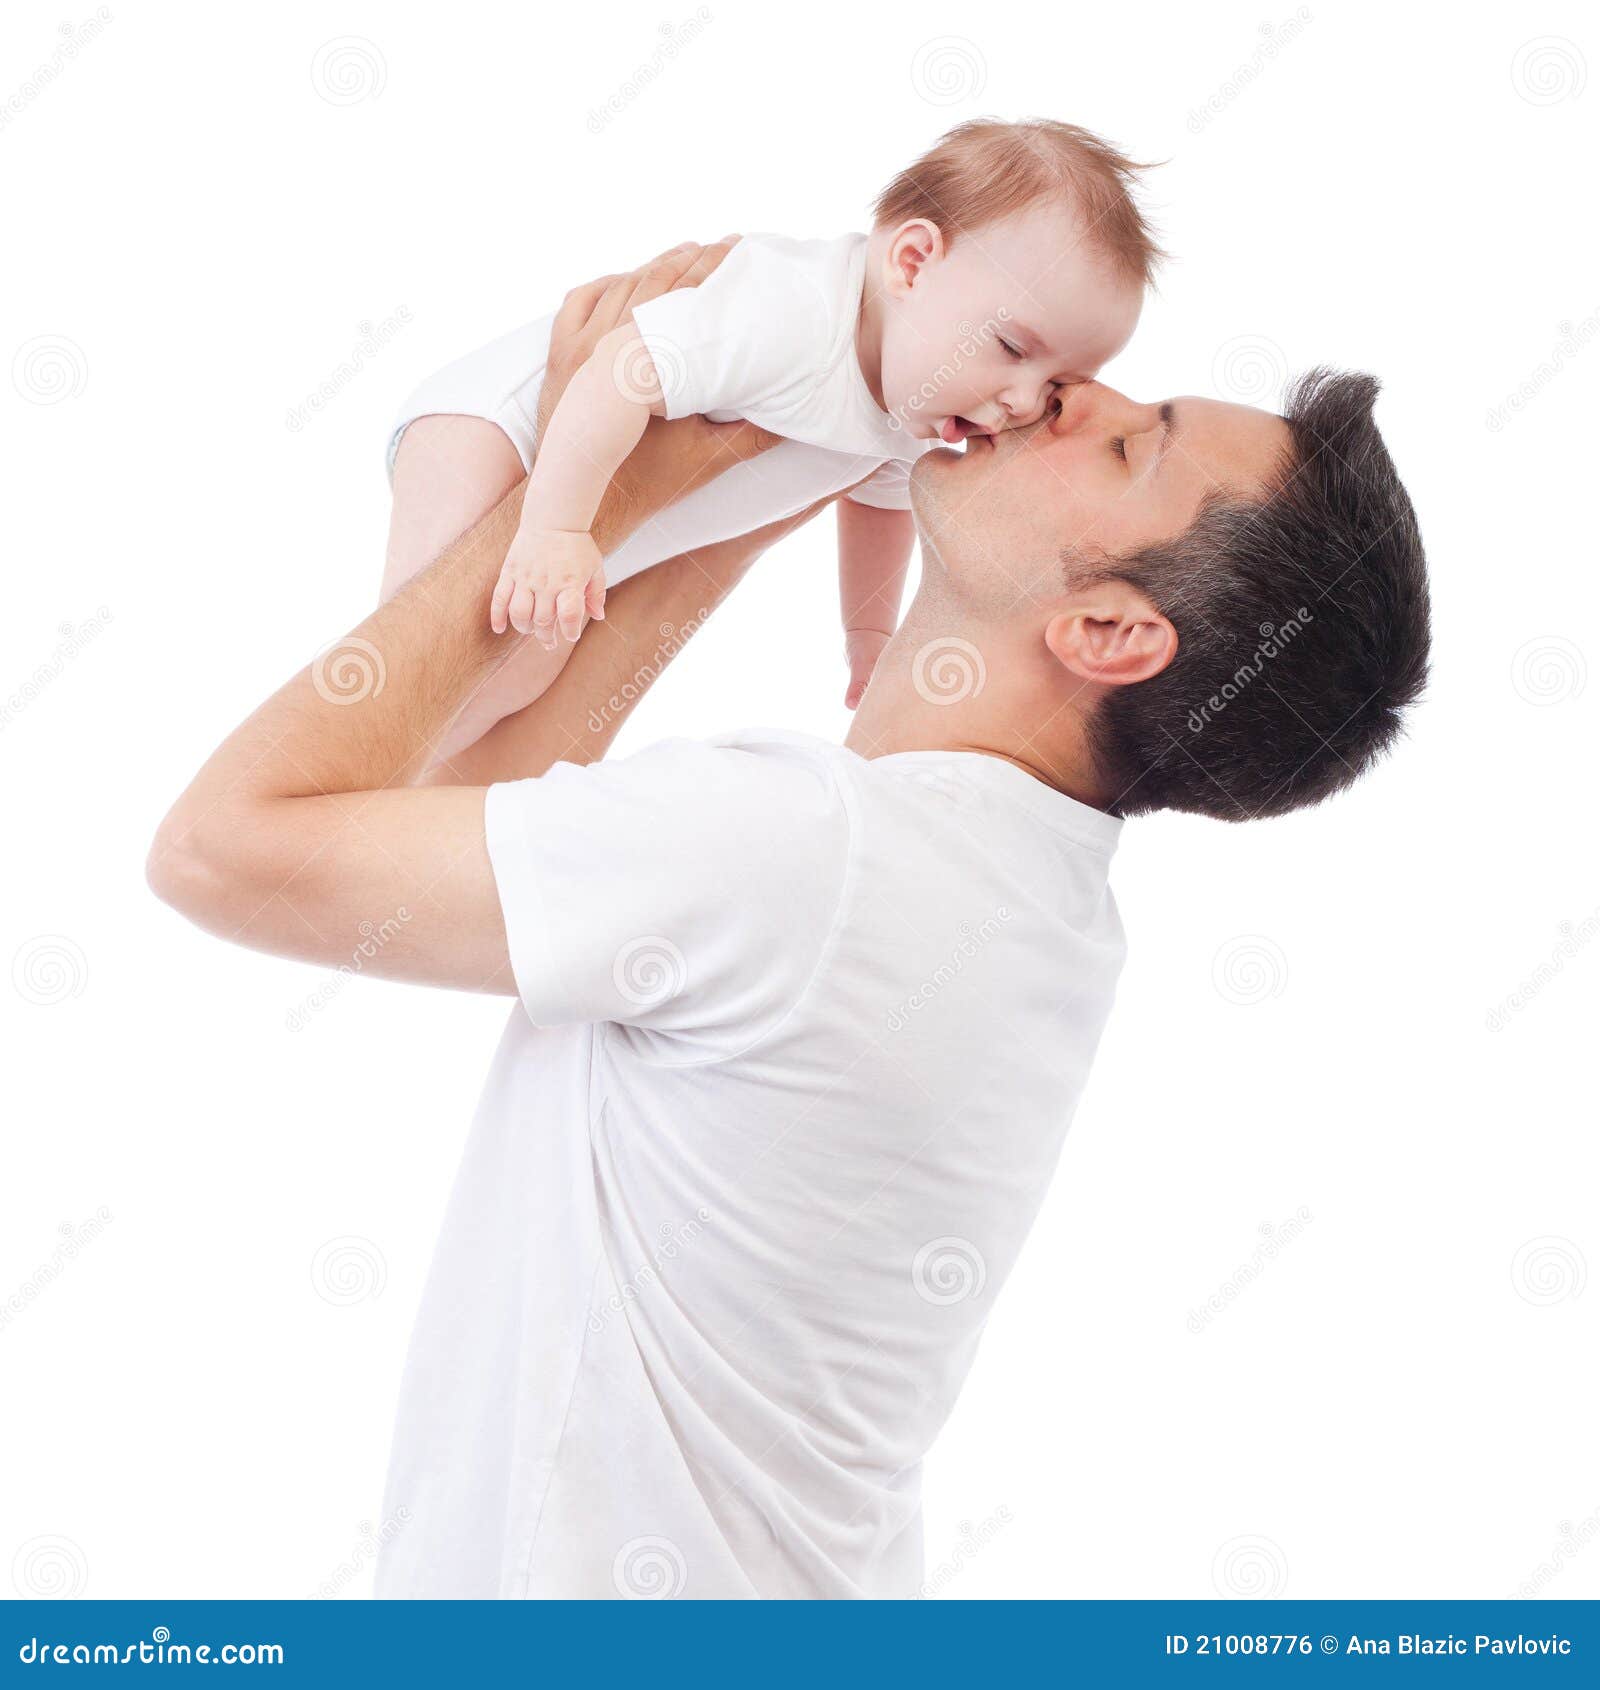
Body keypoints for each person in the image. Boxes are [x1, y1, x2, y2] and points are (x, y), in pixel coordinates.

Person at [146, 242, 1430, 1598]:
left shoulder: (810, 856)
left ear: (1111, 634)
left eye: (1129, 449)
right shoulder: (1023, 900)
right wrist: (754, 463)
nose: (1077, 393)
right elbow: (485, 811)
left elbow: (221, 849)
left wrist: (618, 487)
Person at [394, 119, 1156, 727]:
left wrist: (868, 638)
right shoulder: (792, 313)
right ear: (915, 263)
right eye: (1012, 347)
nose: (1025, 402)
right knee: (418, 663)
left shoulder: (916, 408)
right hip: (492, 428)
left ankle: (399, 808)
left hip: (591, 521)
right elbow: (616, 371)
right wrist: (555, 530)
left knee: (501, 688)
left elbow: (880, 505)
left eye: (1059, 384)